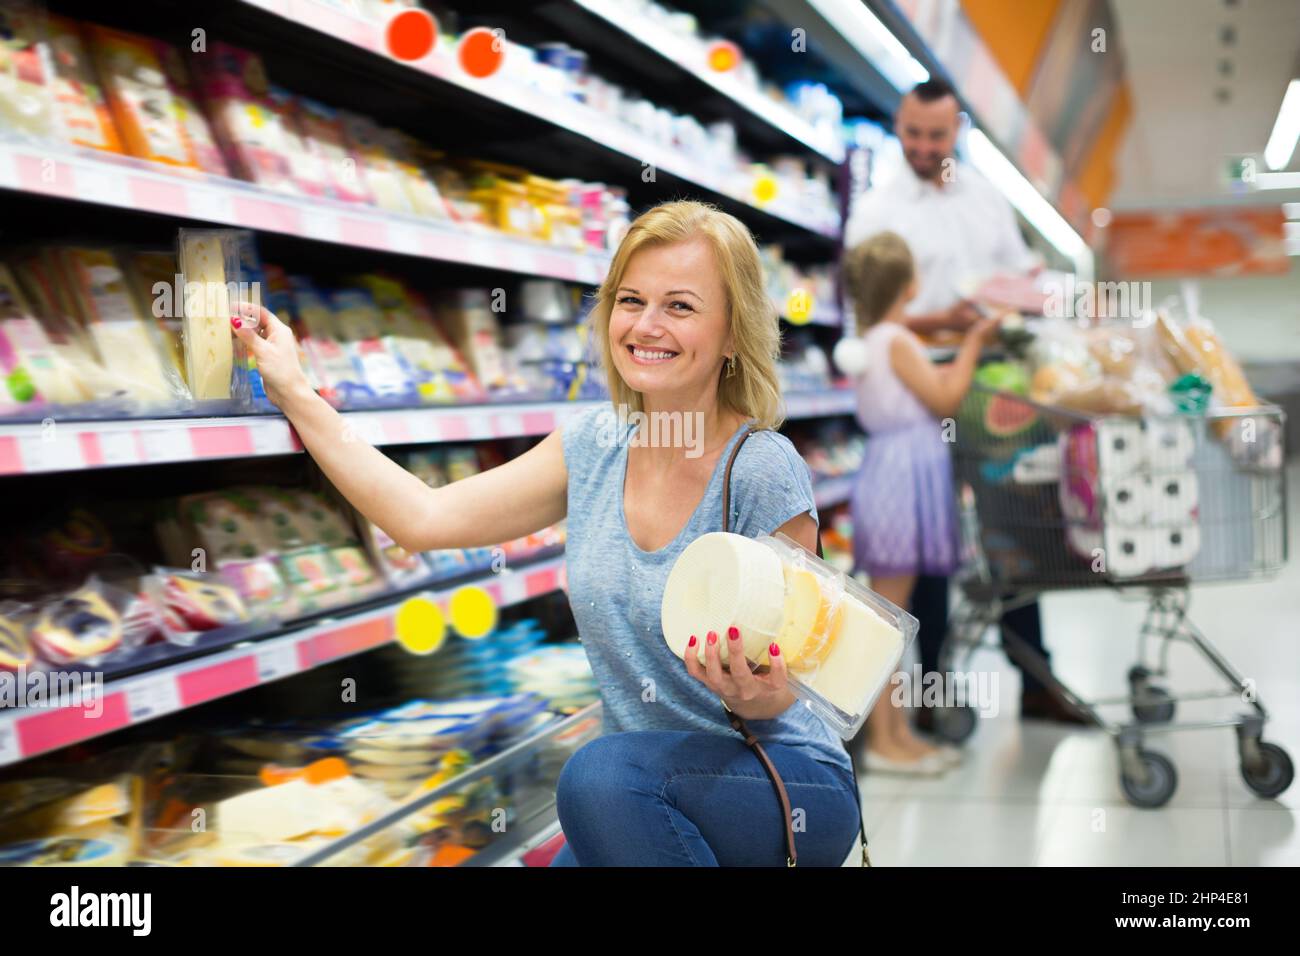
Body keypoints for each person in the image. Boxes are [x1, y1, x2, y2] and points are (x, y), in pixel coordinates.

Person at [231, 199, 862, 866]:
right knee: (601, 791)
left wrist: (760, 692)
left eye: (680, 306)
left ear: (733, 333)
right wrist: (297, 392)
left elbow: (801, 675)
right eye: (630, 300)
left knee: (594, 777)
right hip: (639, 790)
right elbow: (423, 518)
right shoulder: (593, 445)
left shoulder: (760, 468)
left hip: (775, 780)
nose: (647, 326)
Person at [843, 77, 1085, 726]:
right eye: (912, 134)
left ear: (959, 132)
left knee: (1016, 512)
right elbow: (870, 317)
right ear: (898, 127)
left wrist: (1018, 296)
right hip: (919, 383)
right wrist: (943, 320)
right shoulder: (876, 211)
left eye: (936, 135)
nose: (923, 147)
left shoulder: (985, 199)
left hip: (990, 380)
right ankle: (935, 685)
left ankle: (1034, 675)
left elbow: (1015, 276)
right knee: (927, 541)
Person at [839, 232, 999, 774]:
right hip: (903, 481)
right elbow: (945, 398)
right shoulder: (897, 340)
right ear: (910, 283)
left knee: (891, 617)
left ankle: (898, 732)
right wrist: (976, 339)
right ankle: (885, 742)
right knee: (887, 620)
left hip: (891, 472)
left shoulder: (878, 339)